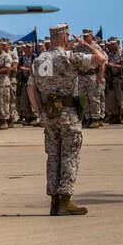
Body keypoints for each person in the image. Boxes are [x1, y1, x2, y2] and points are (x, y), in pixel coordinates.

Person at [29, 24, 106, 215]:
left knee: (53, 157)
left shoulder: (39, 59)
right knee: (70, 157)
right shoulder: (70, 57)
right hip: (68, 115)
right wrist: (85, 44)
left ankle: (54, 202)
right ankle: (65, 201)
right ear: (65, 38)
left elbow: (31, 88)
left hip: (49, 114)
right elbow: (101, 58)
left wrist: (40, 112)